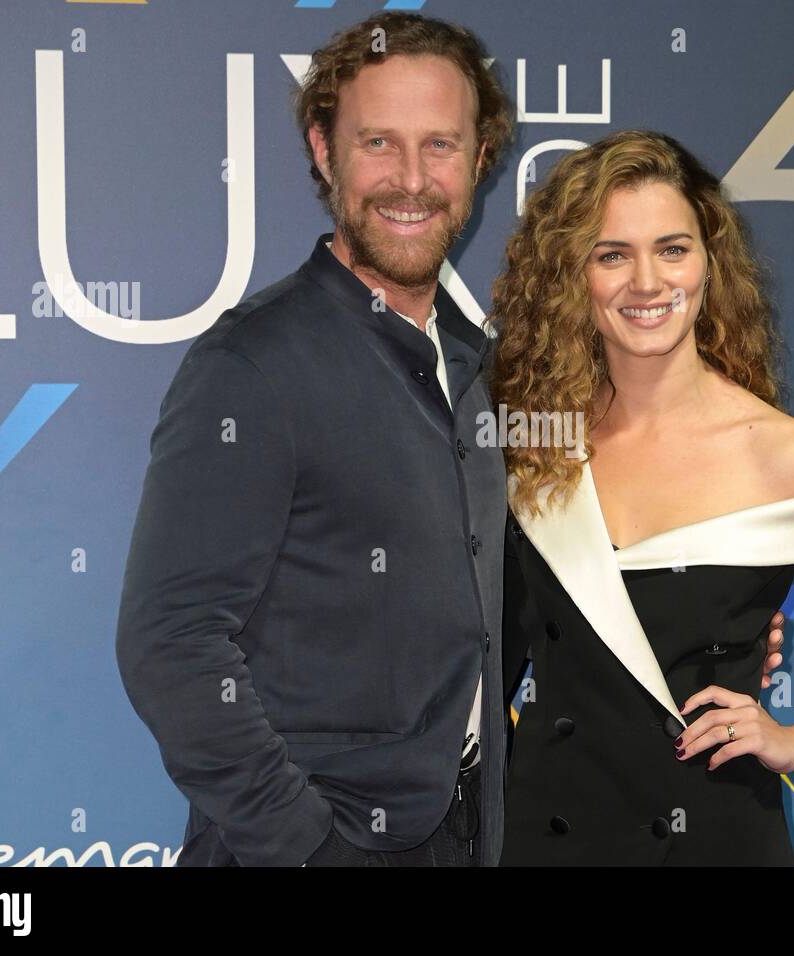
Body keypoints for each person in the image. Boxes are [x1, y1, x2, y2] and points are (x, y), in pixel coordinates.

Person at [488, 129, 794, 865]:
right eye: (612, 254)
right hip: (545, 829)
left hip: (713, 833)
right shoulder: (534, 439)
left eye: (673, 249)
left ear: (711, 265)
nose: (647, 282)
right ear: (571, 275)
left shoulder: (784, 454)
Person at [115, 11, 517, 867]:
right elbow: (170, 642)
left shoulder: (475, 363)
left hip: (459, 835)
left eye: (441, 146)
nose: (411, 179)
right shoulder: (251, 364)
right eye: (379, 142)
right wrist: (305, 845)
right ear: (325, 152)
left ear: (480, 163)